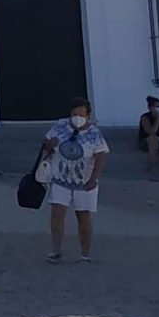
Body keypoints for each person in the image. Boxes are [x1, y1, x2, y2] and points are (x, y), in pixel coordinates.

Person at [39, 98, 109, 263]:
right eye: (75, 114)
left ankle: (84, 253)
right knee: (57, 214)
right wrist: (50, 144)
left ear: (88, 115)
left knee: (83, 216)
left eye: (81, 114)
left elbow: (100, 157)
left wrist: (94, 179)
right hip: (60, 178)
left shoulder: (94, 133)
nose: (78, 117)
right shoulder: (60, 125)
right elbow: (46, 143)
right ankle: (56, 250)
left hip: (83, 181)